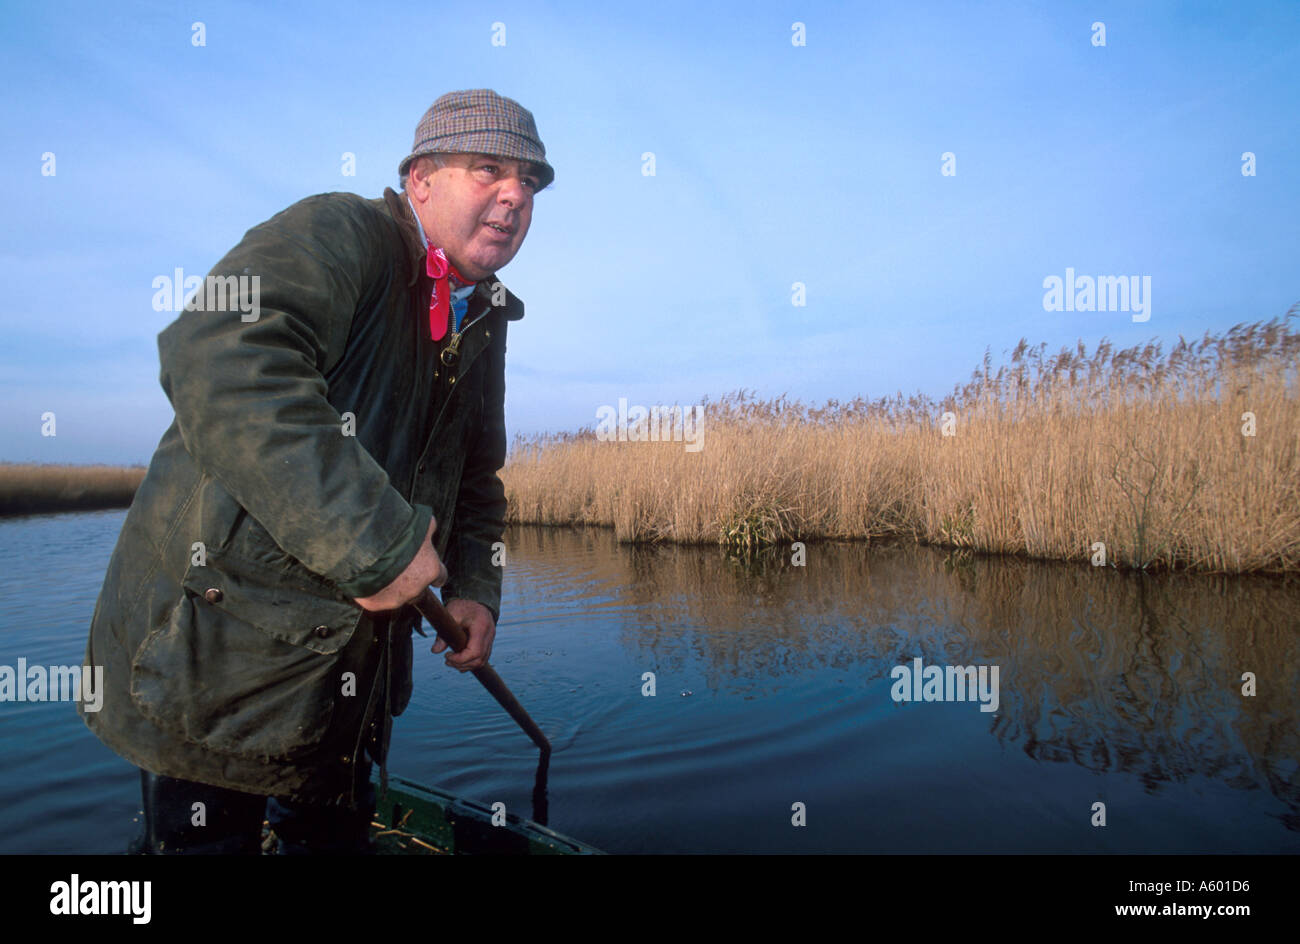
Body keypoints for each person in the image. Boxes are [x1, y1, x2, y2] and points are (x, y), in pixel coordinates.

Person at [77, 89, 554, 854]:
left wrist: (474, 590)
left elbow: (475, 480)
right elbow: (220, 352)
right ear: (421, 179)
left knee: (331, 835)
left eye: (531, 182)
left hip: (350, 667)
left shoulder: (485, 316)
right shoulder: (343, 232)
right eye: (489, 169)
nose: (516, 196)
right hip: (223, 652)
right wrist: (376, 542)